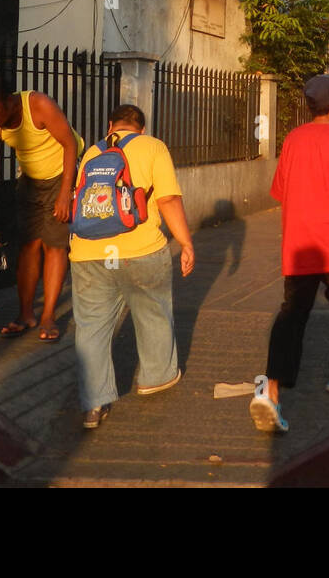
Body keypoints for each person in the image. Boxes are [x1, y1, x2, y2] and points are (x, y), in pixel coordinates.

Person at [250, 75, 329, 434]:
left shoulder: (293, 139)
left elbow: (282, 193)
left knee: (292, 315)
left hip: (298, 248)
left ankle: (271, 390)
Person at [70, 104, 195, 430]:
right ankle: (156, 376)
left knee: (91, 328)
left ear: (111, 124)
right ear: (141, 127)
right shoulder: (153, 146)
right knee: (152, 311)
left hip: (87, 253)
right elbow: (168, 199)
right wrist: (185, 243)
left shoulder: (92, 152)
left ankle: (94, 405)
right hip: (140, 251)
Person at [0, 76, 81, 341]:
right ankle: (25, 314)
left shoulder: (38, 105)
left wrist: (65, 193)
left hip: (61, 175)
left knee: (53, 245)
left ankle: (48, 317)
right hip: (30, 181)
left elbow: (71, 145)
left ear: (9, 101)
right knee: (28, 246)